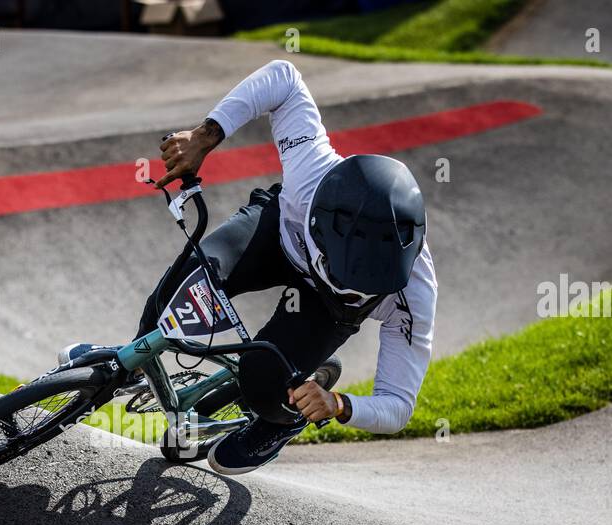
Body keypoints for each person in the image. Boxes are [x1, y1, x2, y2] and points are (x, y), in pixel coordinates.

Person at [63, 59, 437, 475]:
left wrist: (339, 405)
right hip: (277, 235)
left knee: (261, 384)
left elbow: (399, 405)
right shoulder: (312, 167)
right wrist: (205, 136)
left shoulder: (415, 292)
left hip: (327, 309)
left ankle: (282, 423)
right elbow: (285, 76)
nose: (350, 282)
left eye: (365, 286)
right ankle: (130, 365)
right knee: (184, 282)